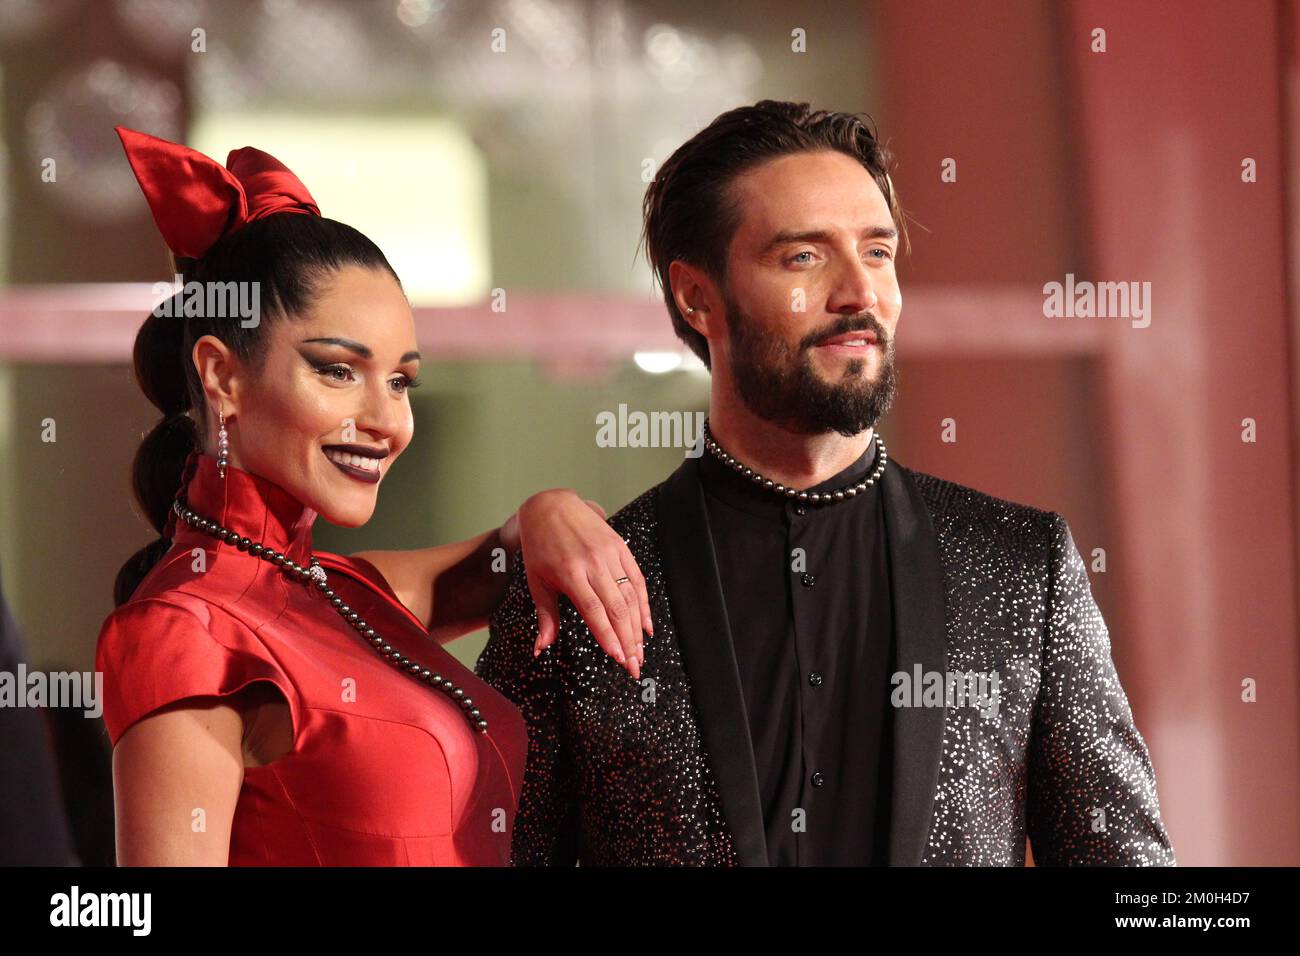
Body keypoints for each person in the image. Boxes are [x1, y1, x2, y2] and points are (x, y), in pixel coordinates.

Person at [476, 100, 1177, 866]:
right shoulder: (579, 585)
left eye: (877, 253)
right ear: (696, 297)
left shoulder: (1021, 564)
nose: (859, 292)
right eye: (803, 257)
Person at [97, 127, 650, 866]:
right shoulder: (185, 631)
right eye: (337, 371)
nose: (389, 421)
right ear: (223, 377)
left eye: (400, 381)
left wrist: (551, 508)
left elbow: (515, 556)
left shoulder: (354, 595)